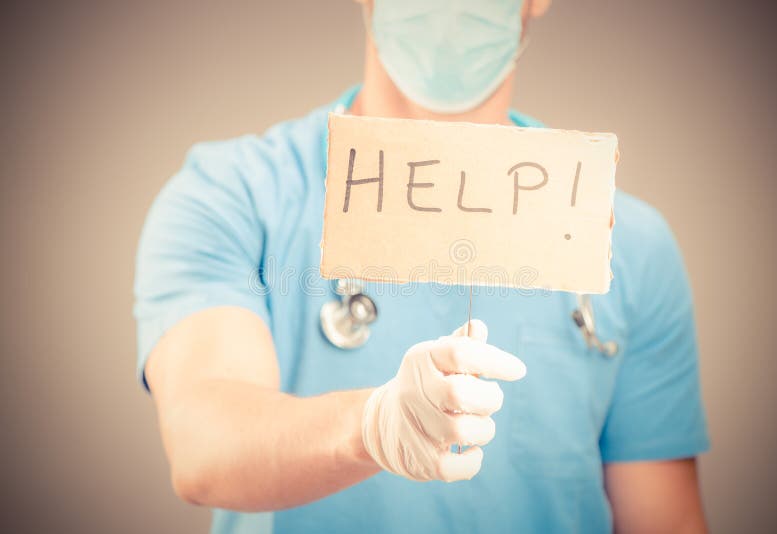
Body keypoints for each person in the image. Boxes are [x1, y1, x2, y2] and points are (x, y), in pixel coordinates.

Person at [133, 1, 710, 532]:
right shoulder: (230, 196)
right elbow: (203, 445)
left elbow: (665, 521)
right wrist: (370, 427)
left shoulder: (623, 241)